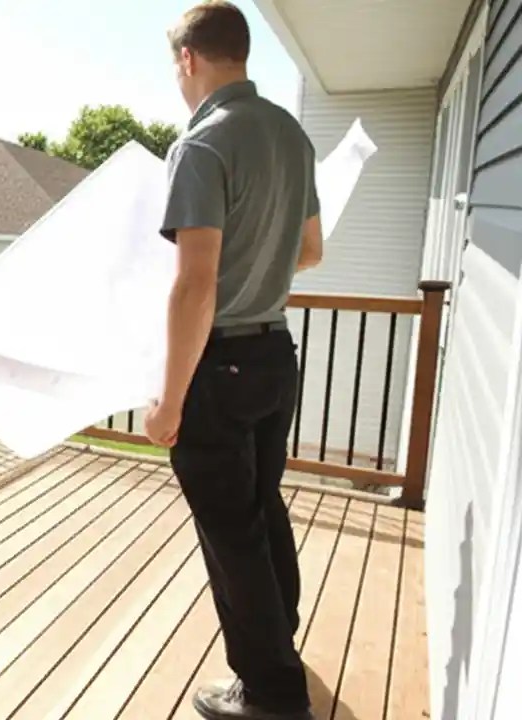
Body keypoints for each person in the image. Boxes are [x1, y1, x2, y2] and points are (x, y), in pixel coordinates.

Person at [143, 2, 323, 719]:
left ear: (189, 59)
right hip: (277, 355)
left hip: (222, 369)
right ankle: (280, 646)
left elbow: (195, 282)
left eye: (174, 67)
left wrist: (170, 400)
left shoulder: (203, 144)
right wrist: (264, 262)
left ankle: (272, 692)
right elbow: (309, 251)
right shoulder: (289, 134)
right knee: (259, 509)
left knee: (231, 536)